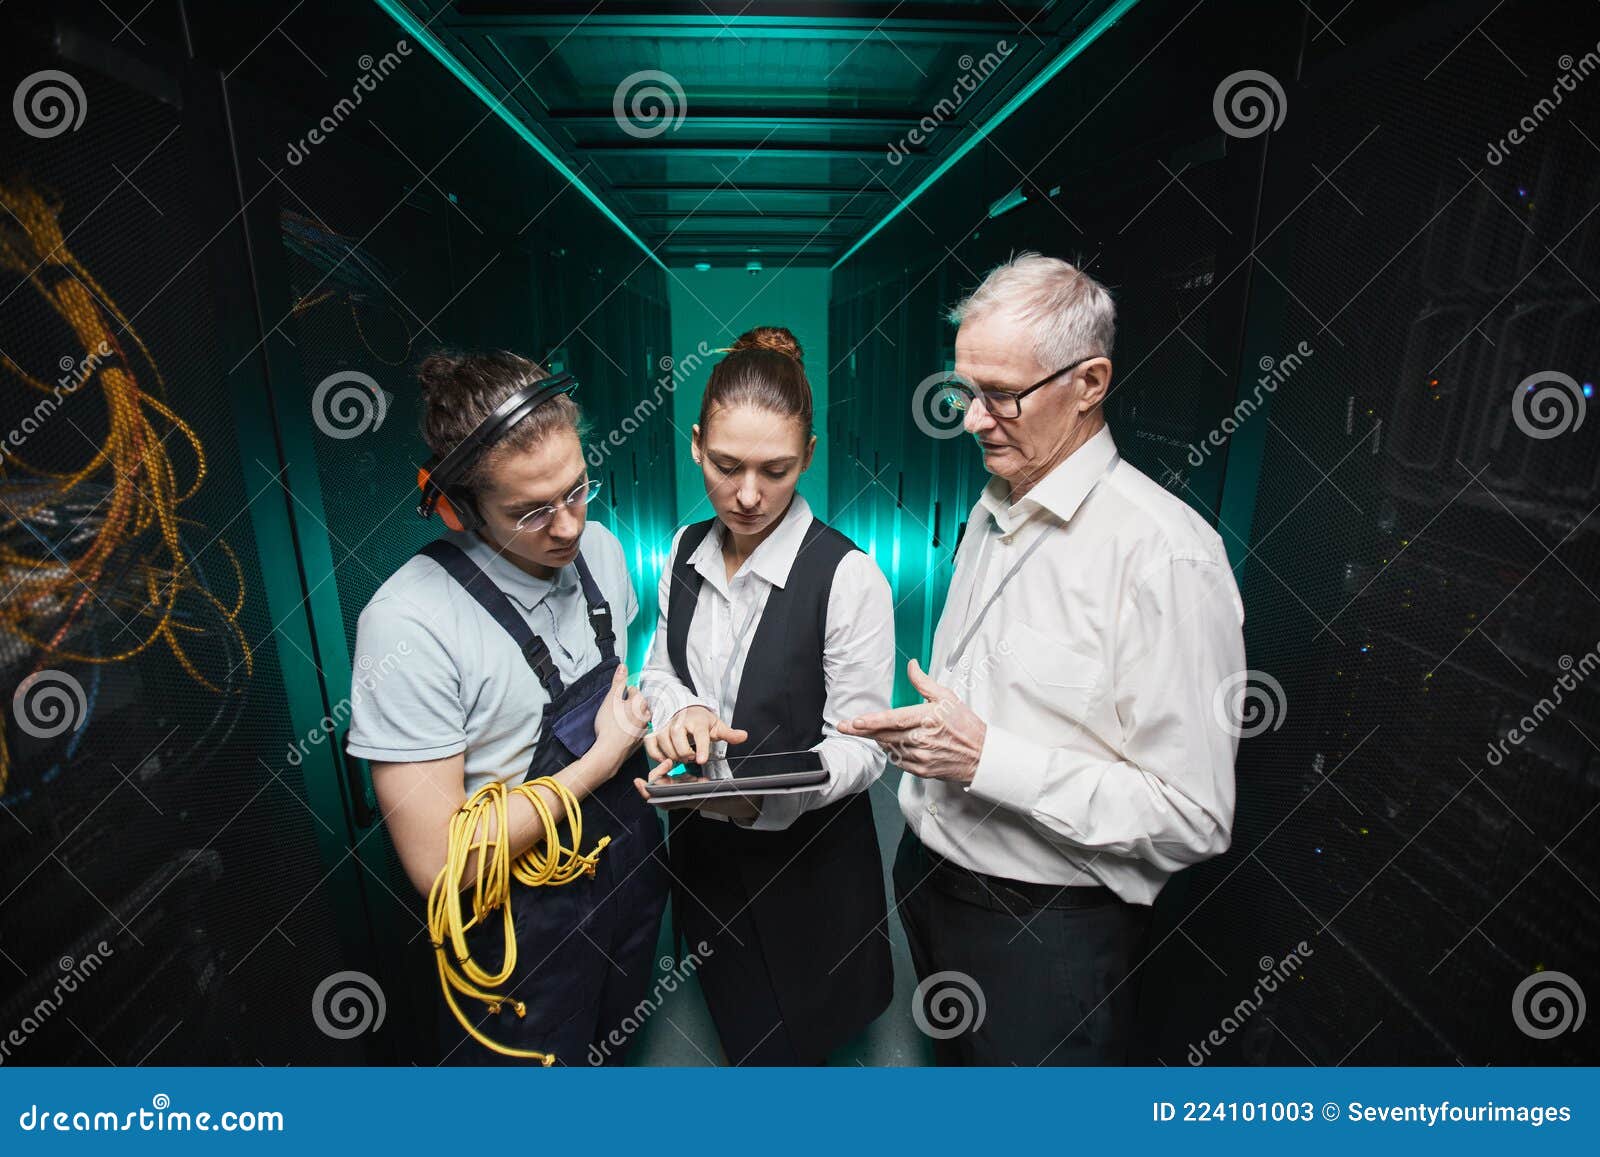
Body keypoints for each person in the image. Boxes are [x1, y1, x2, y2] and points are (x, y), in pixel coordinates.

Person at [841, 253, 1247, 1066]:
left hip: (1044, 932)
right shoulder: (997, 504)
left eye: (1001, 396)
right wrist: (930, 740)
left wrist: (989, 758)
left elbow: (1196, 815)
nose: (971, 419)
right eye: (965, 391)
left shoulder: (1166, 557)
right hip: (928, 880)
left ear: (1090, 381)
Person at [346, 349, 668, 1065]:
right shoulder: (409, 624)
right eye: (530, 511)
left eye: (578, 490)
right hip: (524, 931)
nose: (567, 527)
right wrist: (597, 763)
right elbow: (439, 864)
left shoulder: (604, 552)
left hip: (629, 872)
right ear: (460, 508)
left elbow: (617, 691)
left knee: (617, 1046)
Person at [636, 325, 896, 1065]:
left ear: (808, 456)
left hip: (806, 857)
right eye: (726, 466)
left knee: (803, 1027)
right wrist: (679, 708)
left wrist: (770, 799)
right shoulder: (681, 551)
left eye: (776, 470)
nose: (748, 495)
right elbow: (658, 670)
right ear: (695, 447)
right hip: (702, 846)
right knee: (731, 1004)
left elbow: (863, 744)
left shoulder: (849, 578)